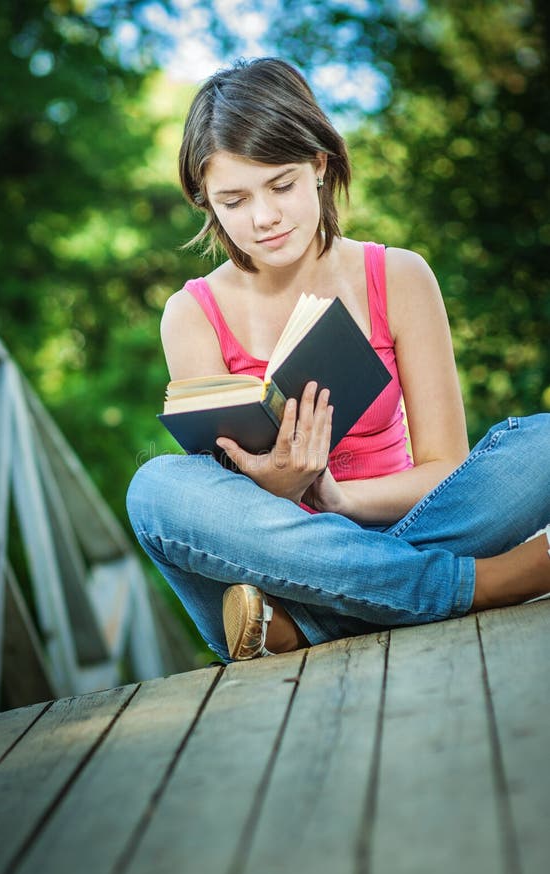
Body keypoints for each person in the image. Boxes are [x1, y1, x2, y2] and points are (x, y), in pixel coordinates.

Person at [126, 57, 550, 663]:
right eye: (234, 200)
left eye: (281, 185)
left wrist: (340, 500)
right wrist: (276, 486)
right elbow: (225, 516)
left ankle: (305, 629)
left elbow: (444, 470)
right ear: (207, 203)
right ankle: (481, 584)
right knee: (155, 491)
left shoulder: (397, 276)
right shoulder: (190, 313)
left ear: (319, 166)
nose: (265, 218)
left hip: (415, 525)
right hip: (283, 557)